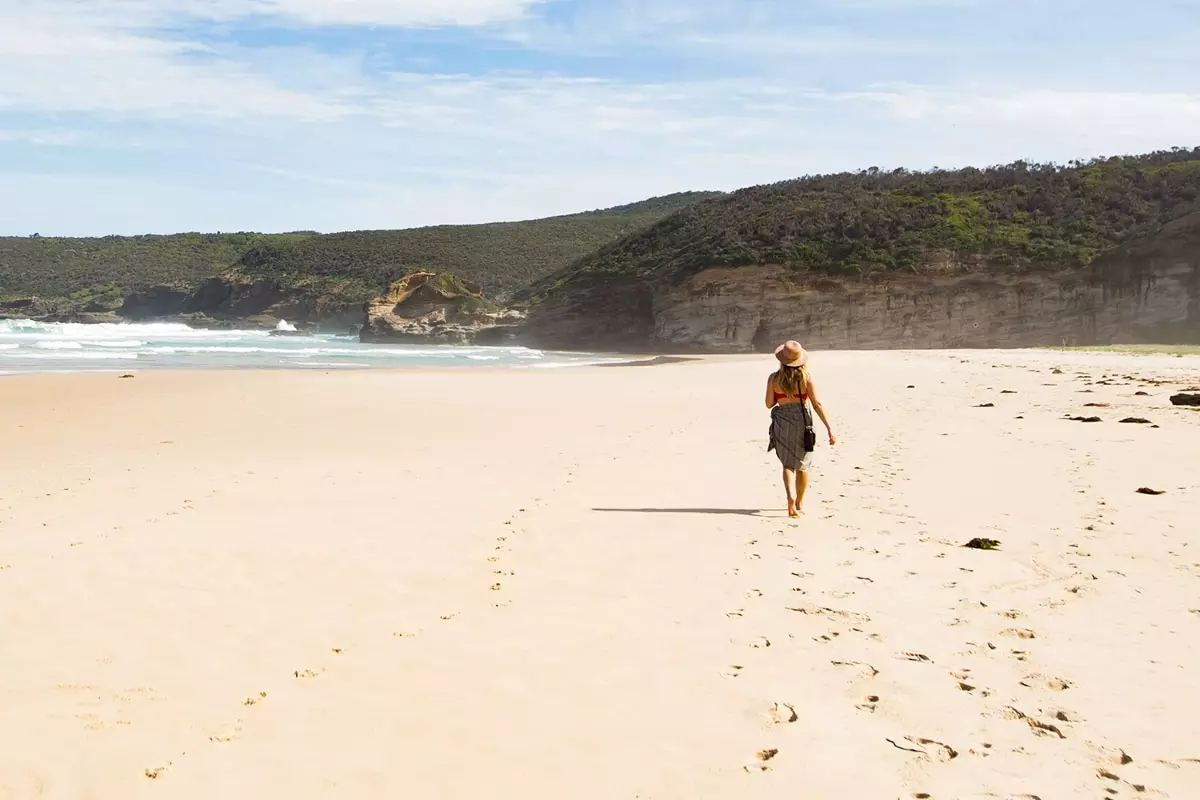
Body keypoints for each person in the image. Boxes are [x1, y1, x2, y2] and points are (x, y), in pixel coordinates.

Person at [765, 341, 836, 517]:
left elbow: (768, 404)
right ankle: (799, 502)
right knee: (803, 464)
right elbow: (817, 404)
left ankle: (789, 498)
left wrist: (782, 398)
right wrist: (829, 429)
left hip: (782, 421)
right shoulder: (805, 378)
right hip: (803, 421)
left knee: (788, 465)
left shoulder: (773, 379)